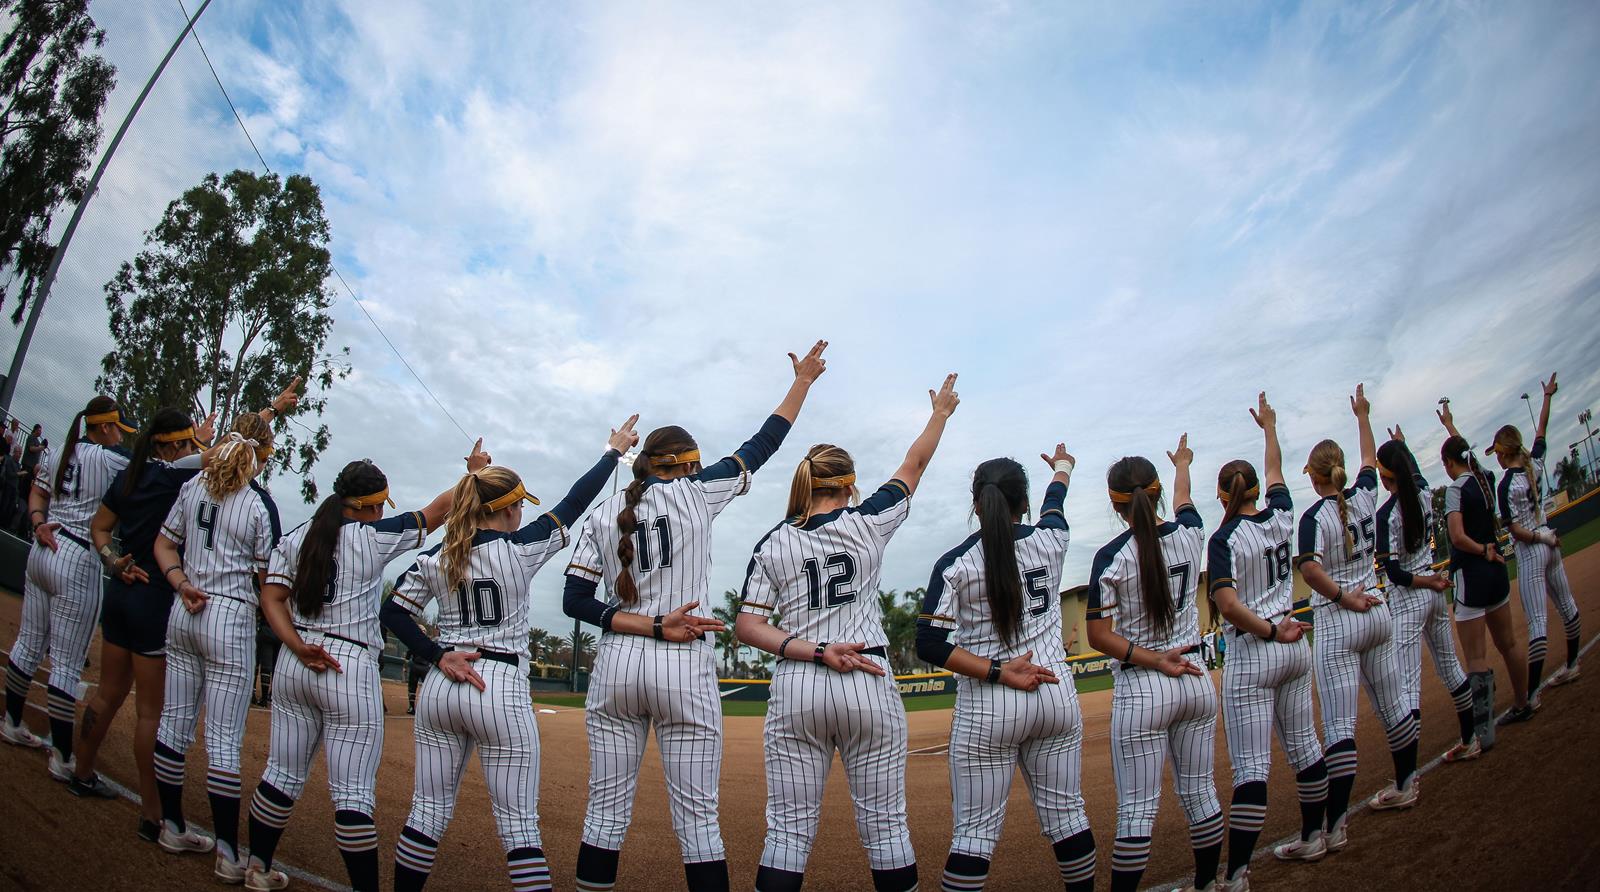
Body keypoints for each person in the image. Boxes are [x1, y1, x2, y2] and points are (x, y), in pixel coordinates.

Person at [562, 342, 828, 892]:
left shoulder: (605, 513)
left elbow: (575, 601)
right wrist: (802, 381)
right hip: (682, 665)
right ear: (686, 463)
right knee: (698, 820)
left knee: (604, 815)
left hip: (617, 666)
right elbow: (765, 441)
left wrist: (645, 623)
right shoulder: (700, 493)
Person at [382, 418, 637, 892]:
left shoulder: (437, 556)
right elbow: (575, 503)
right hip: (498, 685)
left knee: (426, 812)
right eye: (519, 505)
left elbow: (394, 614)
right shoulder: (520, 549)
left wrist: (436, 654)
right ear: (510, 509)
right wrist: (612, 452)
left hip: (443, 683)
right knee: (519, 826)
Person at [737, 374, 959, 892]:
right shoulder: (870, 522)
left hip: (798, 679)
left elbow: (748, 626)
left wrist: (813, 650)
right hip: (867, 676)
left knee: (788, 835)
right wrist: (940, 415)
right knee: (885, 828)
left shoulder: (773, 542)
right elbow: (915, 465)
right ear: (849, 484)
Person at [246, 446, 493, 892]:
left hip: (296, 659)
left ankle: (256, 867)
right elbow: (438, 512)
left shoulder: (300, 535)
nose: (382, 512)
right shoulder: (373, 536)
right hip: (348, 665)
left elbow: (271, 598)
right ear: (368, 505)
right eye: (379, 505)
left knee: (280, 773)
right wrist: (474, 474)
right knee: (353, 794)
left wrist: (298, 646)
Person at [916, 446, 1095, 892]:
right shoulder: (1052, 539)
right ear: (1024, 503)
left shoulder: (956, 563)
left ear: (976, 504)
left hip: (989, 704)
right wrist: (1062, 466)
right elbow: (1056, 501)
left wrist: (998, 670)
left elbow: (929, 644)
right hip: (1054, 692)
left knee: (974, 836)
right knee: (1069, 817)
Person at [1086, 435, 1223, 892]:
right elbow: (1185, 499)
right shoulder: (1190, 534)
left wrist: (1154, 660)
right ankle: (1211, 884)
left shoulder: (1111, 557)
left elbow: (1099, 636)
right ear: (1158, 491)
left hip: (1146, 684)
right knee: (1201, 794)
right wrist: (1183, 462)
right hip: (1196, 676)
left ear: (1115, 504)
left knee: (1138, 809)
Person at [71, 408, 218, 826]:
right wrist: (271, 411)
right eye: (187, 443)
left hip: (119, 590)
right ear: (172, 446)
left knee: (107, 692)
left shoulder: (131, 475)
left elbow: (99, 530)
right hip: (154, 597)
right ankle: (153, 814)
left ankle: (81, 772)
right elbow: (229, 450)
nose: (193, 449)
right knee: (151, 713)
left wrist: (113, 561)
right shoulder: (174, 475)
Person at [150, 415, 281, 879]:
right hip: (229, 614)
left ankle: (171, 824)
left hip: (184, 606)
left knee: (174, 722)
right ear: (262, 456)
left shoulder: (193, 487)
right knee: (222, 740)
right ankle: (227, 853)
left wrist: (181, 582)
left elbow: (163, 546)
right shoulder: (258, 504)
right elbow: (270, 587)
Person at [1206, 394, 1329, 889]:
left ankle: (1236, 875)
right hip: (1294, 643)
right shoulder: (1281, 513)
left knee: (1252, 769)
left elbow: (1230, 606)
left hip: (1256, 650)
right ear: (1257, 488)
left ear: (1222, 495)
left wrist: (1270, 630)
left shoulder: (1225, 538)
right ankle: (1314, 835)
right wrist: (1270, 428)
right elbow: (1276, 469)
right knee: (1305, 746)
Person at [1296, 385, 1421, 844]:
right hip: (1378, 608)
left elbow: (1309, 567)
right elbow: (1370, 458)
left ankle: (1335, 824)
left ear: (1314, 476)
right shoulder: (1367, 494)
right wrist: (1363, 415)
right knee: (1394, 705)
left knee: (1340, 726)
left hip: (1341, 618)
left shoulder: (1315, 516)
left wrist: (1342, 598)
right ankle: (1408, 784)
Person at [2, 396, 135, 780]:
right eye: (118, 430)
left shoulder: (62, 448)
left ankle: (11, 721)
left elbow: (37, 493)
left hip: (43, 546)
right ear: (106, 426)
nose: (120, 437)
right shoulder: (112, 459)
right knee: (66, 663)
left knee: (28, 644)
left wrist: (38, 520)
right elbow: (156, 469)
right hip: (76, 555)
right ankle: (63, 757)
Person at [1374, 430, 1480, 763]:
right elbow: (1414, 472)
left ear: (1383, 474)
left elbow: (1393, 574)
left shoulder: (1386, 514)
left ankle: (1407, 778)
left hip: (1410, 598)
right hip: (1433, 591)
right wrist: (1403, 445)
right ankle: (1471, 737)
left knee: (1408, 688)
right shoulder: (1421, 492)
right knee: (1450, 667)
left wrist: (1424, 582)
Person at [1436, 402, 1533, 734]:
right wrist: (1450, 425)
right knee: (1509, 644)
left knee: (1476, 657)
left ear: (1449, 463)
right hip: (1496, 573)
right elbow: (1469, 458)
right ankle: (1523, 702)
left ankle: (1483, 732)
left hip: (1472, 574)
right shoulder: (1487, 477)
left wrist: (1483, 550)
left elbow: (1457, 537)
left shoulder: (1454, 490)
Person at [1490, 373, 1581, 696]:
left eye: (1497, 452)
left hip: (1533, 547)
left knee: (1537, 622)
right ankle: (1572, 664)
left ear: (1503, 451)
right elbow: (1541, 430)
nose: (1497, 458)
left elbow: (1515, 529)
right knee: (1567, 606)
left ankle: (1529, 696)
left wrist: (1540, 538)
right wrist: (1547, 398)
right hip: (1549, 538)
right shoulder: (1536, 464)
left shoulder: (1507, 483)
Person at [254, 612, 282, 707]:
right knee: (276, 667)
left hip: (267, 629)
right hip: (280, 631)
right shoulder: (287, 599)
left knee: (265, 666)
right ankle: (273, 695)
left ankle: (264, 698)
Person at [407, 645, 430, 715]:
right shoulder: (429, 644)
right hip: (425, 668)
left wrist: (406, 665)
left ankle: (411, 707)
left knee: (412, 687)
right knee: (427, 688)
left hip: (415, 666)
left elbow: (408, 655)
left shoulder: (416, 642)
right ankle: (424, 709)